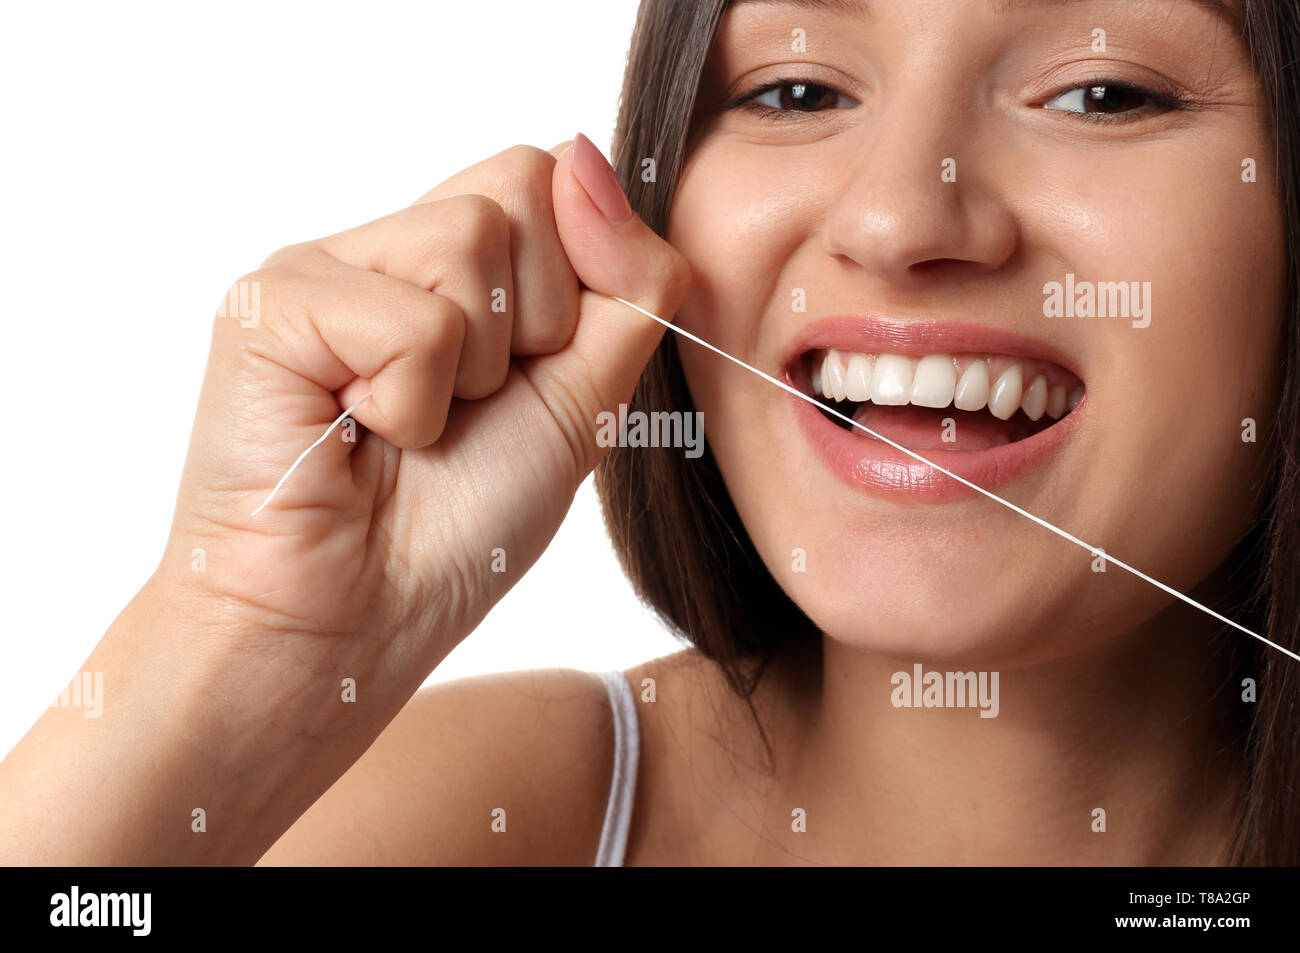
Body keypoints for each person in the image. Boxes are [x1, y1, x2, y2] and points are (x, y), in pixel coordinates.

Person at [2, 0, 1296, 865]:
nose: (901, 219)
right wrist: (241, 640)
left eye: (1105, 95)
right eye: (793, 89)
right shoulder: (495, 822)